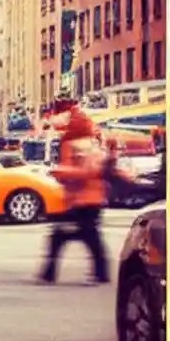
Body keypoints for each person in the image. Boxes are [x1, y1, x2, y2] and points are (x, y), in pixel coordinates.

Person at [39, 111, 109, 285]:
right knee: (83, 237)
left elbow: (86, 171)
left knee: (73, 236)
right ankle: (100, 273)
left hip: (83, 201)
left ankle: (50, 273)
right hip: (89, 200)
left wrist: (58, 172)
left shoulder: (76, 145)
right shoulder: (91, 143)